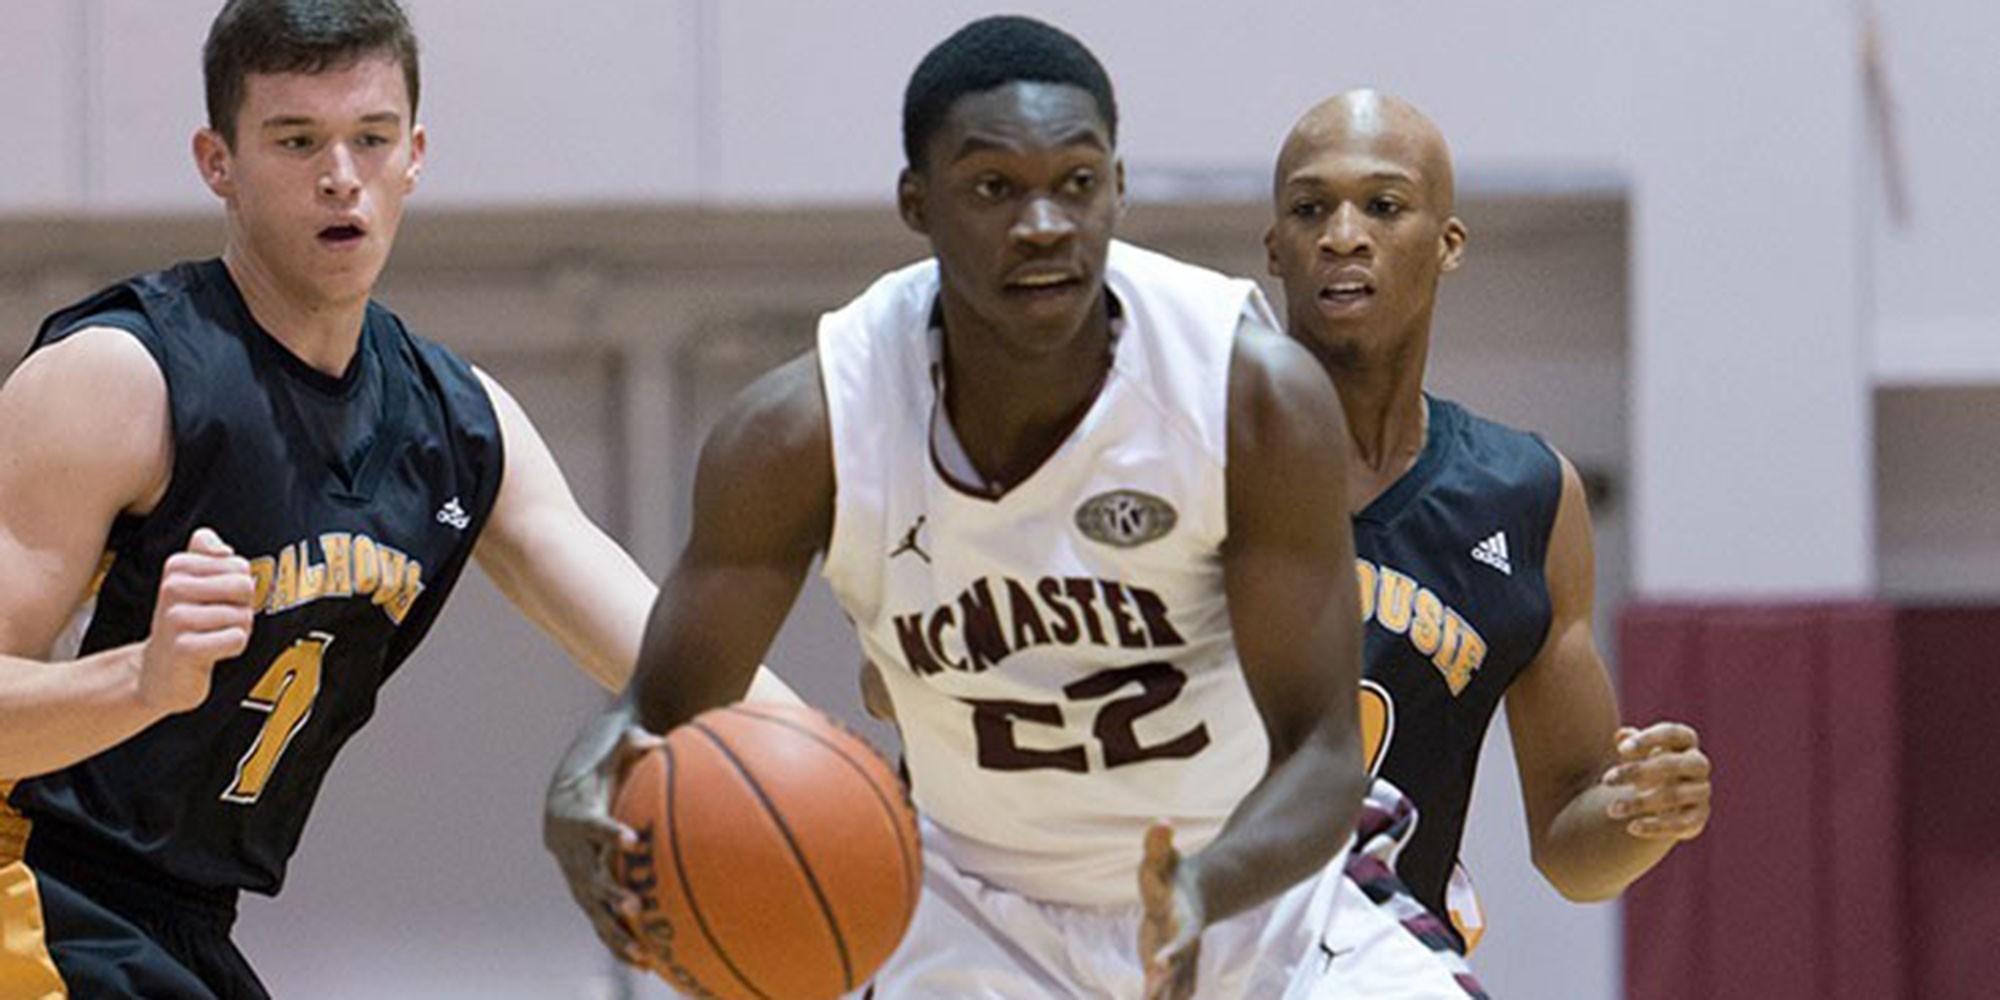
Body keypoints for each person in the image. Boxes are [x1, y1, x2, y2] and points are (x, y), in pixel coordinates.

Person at [546, 16, 1479, 1000]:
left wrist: (1202, 888)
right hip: (975, 911)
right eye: (994, 188)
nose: (1042, 223)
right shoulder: (806, 428)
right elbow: (656, 712)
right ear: (917, 201)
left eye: (1075, 183)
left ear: (1116, 189)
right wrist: (582, 784)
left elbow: (1327, 754)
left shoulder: (1243, 393)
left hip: (1254, 886)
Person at [0, 2, 790, 997]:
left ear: (414, 155)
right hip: (26, 886)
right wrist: (139, 682)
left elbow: (659, 646)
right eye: (295, 140)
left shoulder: (456, 425)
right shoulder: (120, 379)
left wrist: (846, 770)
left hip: (176, 915)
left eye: (369, 138)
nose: (339, 173)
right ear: (217, 162)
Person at [1263, 89, 1713, 957]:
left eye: (1384, 206)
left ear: (1449, 243)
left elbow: (1572, 848)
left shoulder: (1525, 494)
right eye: (1310, 208)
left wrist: (1644, 813)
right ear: (1275, 246)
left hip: (1387, 962)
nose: (1343, 234)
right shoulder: (1188, 453)